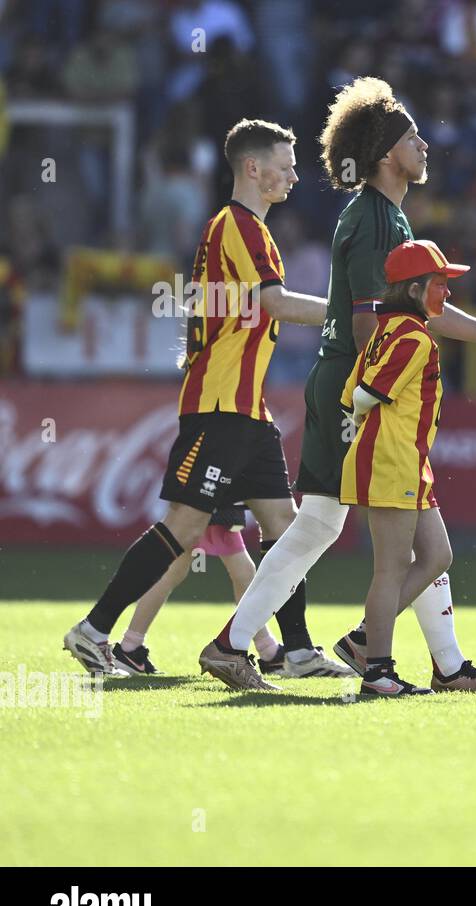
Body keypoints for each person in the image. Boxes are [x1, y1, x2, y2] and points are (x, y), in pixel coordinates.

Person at [202, 77, 476, 692]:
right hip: (357, 387)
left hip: (349, 381)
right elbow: (372, 324)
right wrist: (385, 396)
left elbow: (417, 312)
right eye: (413, 136)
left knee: (322, 525)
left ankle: (427, 661)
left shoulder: (385, 213)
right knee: (391, 530)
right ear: (389, 152)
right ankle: (386, 654)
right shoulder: (372, 218)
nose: (425, 145)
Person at [62, 118, 332, 689]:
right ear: (252, 169)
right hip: (220, 405)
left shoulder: (241, 228)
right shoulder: (239, 226)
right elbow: (277, 304)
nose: (293, 174)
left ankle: (298, 649)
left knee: (286, 527)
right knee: (183, 530)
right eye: (284, 165)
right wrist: (353, 314)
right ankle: (95, 629)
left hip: (246, 409)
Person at [338, 241, 464, 696]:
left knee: (436, 557)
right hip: (393, 462)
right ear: (414, 290)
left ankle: (363, 641)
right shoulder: (412, 336)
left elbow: (351, 396)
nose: (446, 295)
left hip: (404, 463)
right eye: (439, 285)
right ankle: (377, 671)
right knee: (390, 570)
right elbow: (365, 395)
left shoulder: (386, 330)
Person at [112, 505, 285, 675]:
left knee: (174, 571)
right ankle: (269, 651)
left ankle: (130, 646)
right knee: (243, 573)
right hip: (213, 502)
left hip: (209, 501)